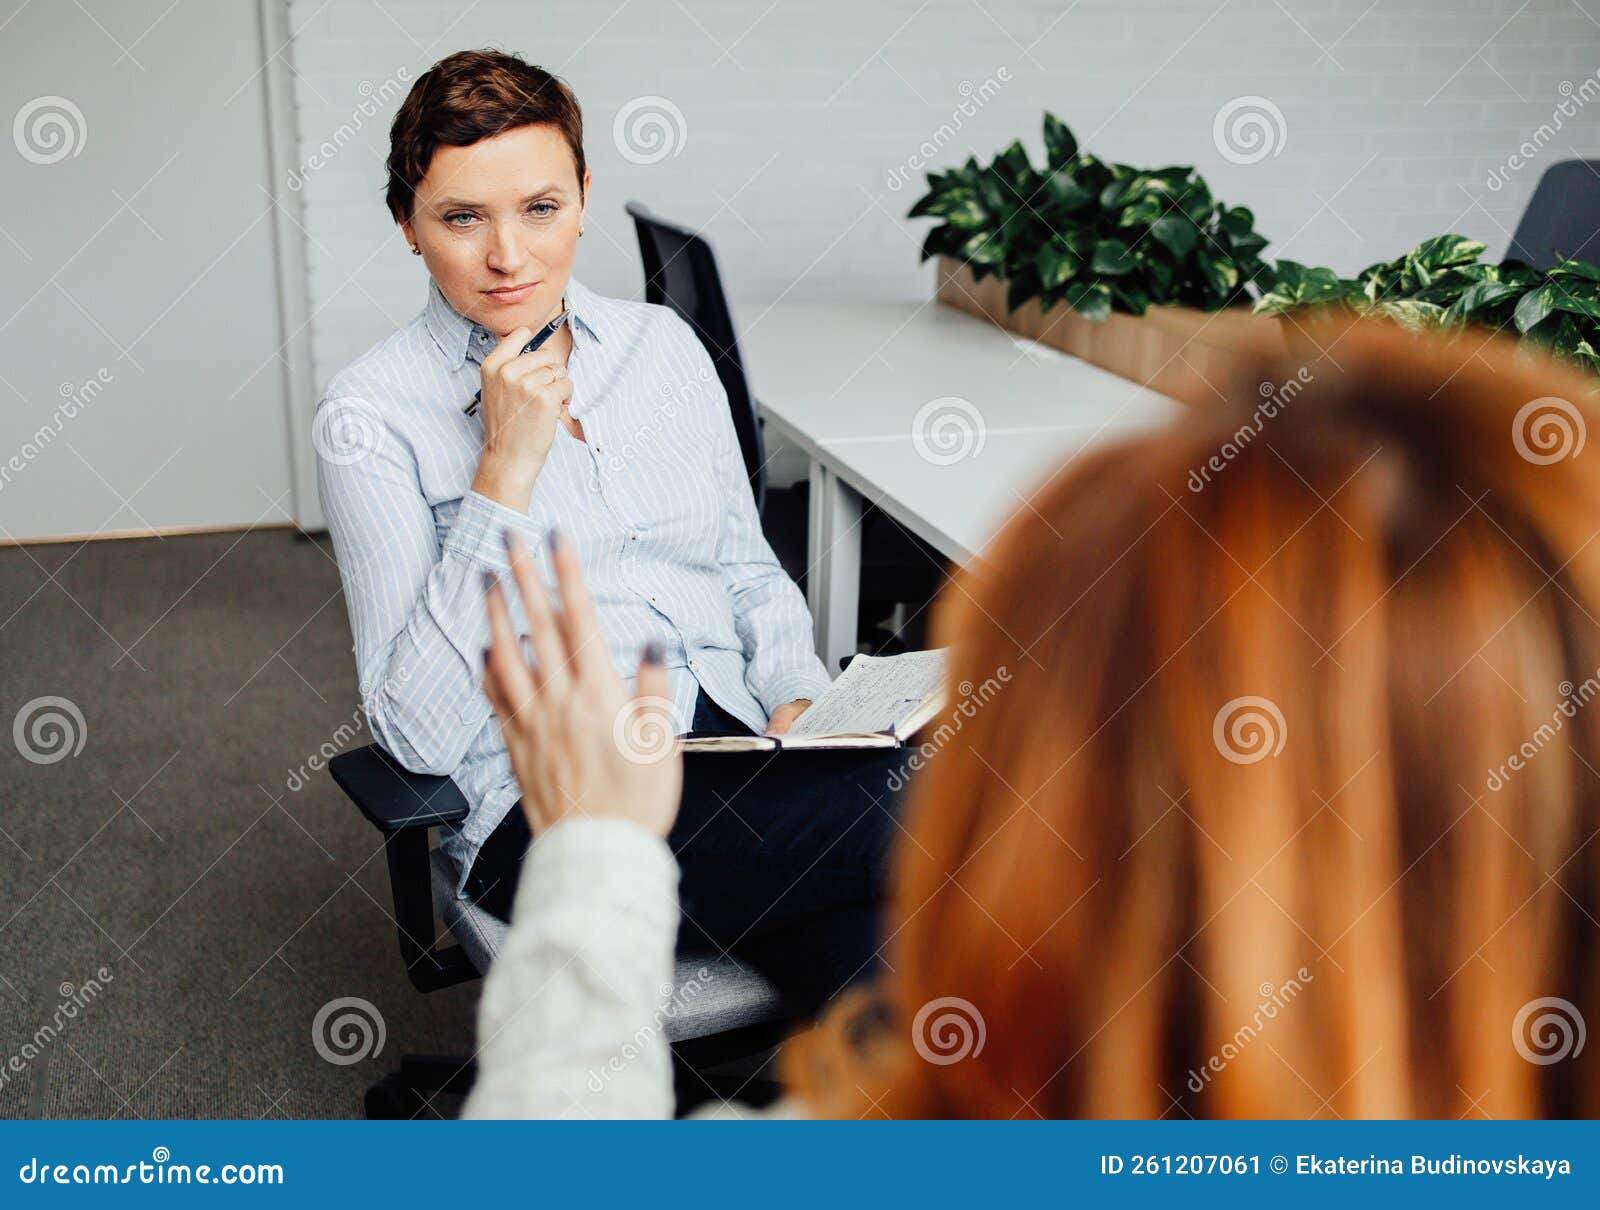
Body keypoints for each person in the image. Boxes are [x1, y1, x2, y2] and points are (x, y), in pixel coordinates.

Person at [461, 318, 1600, 1118]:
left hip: (668, 790)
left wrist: (597, 849)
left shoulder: (659, 362)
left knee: (888, 861)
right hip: (602, 788)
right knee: (882, 913)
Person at [315, 49, 914, 1013]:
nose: (509, 256)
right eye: (463, 217)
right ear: (406, 225)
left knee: (892, 984)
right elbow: (416, 741)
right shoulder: (369, 417)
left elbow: (747, 569)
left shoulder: (663, 349)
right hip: (555, 808)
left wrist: (798, 691)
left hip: (738, 751)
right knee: (944, 812)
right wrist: (501, 472)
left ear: (585, 197)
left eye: (541, 209)